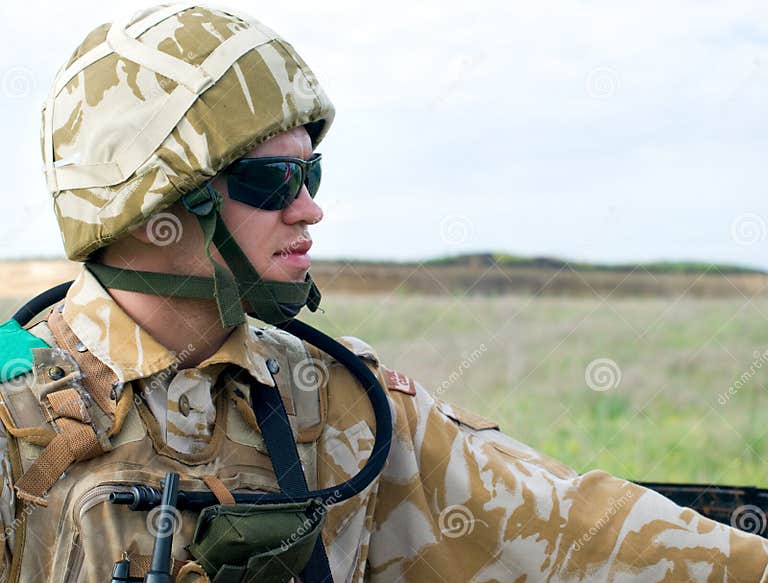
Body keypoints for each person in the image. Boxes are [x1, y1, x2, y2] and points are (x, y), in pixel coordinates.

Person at [1, 4, 768, 583]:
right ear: (152, 210)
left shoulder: (341, 402)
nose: (308, 208)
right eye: (273, 180)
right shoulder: (15, 420)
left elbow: (583, 533)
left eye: (313, 173)